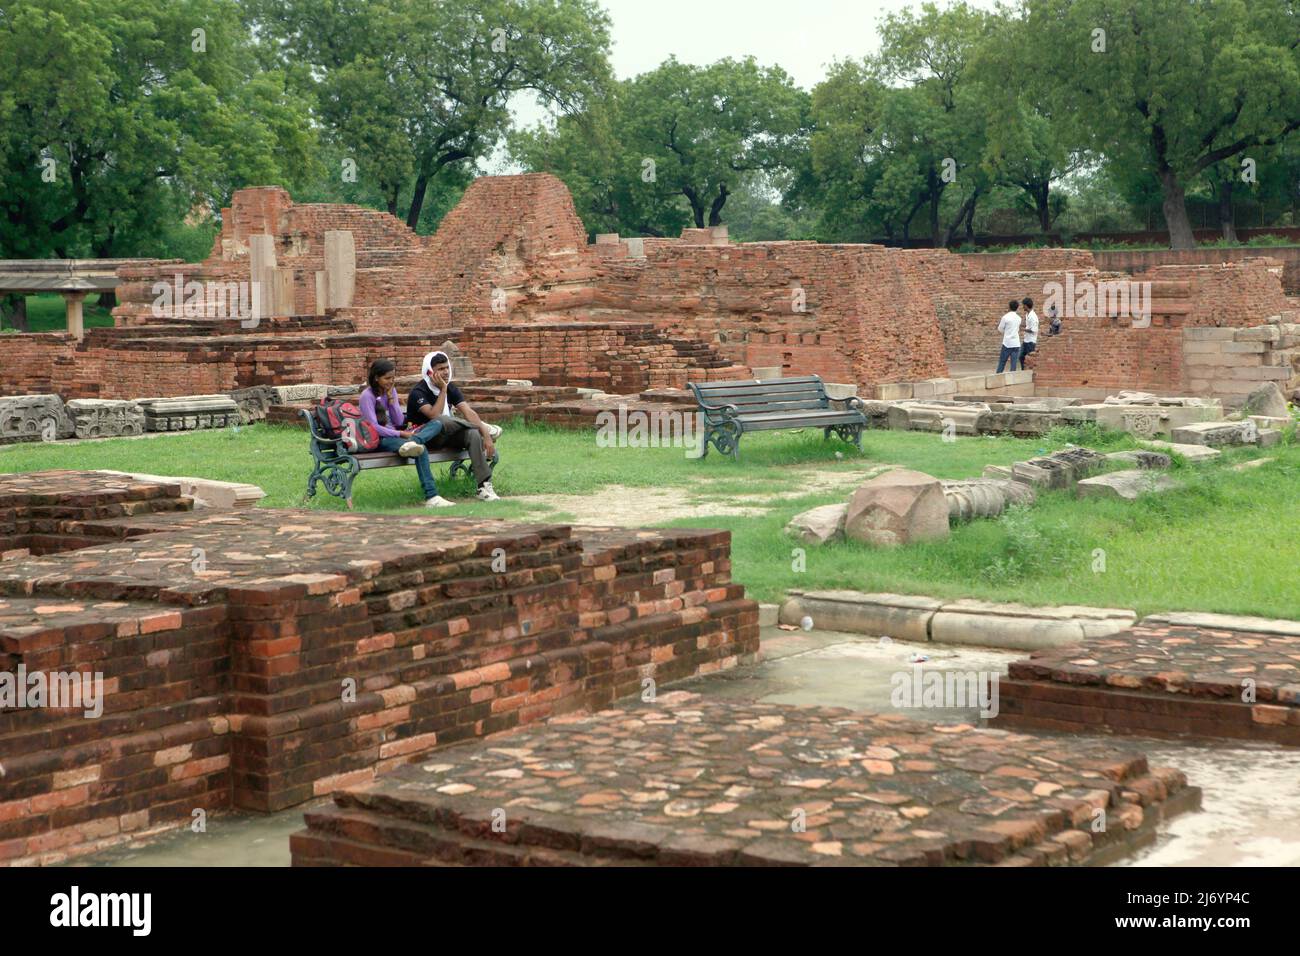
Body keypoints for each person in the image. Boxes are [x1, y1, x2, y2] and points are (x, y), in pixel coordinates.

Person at [406, 350, 502, 501]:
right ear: (430, 372)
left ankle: (483, 486)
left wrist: (485, 436)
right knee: (441, 420)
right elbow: (434, 415)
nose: (445, 372)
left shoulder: (451, 387)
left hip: (448, 435)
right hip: (426, 438)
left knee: (472, 434)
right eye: (440, 369)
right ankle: (482, 426)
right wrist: (442, 390)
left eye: (446, 368)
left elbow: (468, 411)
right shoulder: (418, 392)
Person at [359, 359, 455, 508]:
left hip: (402, 435)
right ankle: (432, 496)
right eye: (387, 378)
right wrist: (401, 435)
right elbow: (373, 427)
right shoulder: (367, 396)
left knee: (437, 423)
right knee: (420, 449)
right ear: (376, 378)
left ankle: (414, 440)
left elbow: (398, 420)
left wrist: (391, 400)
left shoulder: (391, 391)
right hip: (381, 439)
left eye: (393, 378)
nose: (391, 382)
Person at [995, 299, 1022, 373]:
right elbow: (1017, 329)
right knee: (1013, 365)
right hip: (1016, 343)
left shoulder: (1005, 317)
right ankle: (1012, 380)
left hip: (1007, 343)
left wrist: (1006, 332)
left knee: (1002, 362)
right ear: (1017, 308)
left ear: (1009, 307)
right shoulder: (1019, 318)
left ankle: (998, 377)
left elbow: (1000, 328)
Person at [1019, 296, 1039, 369]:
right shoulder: (1027, 314)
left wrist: (1023, 329)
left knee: (1030, 359)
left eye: (1023, 305)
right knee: (1021, 357)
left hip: (1031, 341)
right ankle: (1023, 371)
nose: (1022, 307)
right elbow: (1027, 325)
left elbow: (1034, 330)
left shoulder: (1033, 316)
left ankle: (1030, 373)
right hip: (1026, 340)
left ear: (1026, 306)